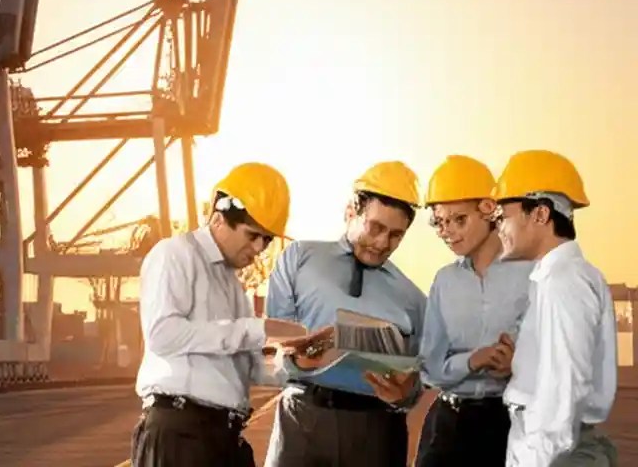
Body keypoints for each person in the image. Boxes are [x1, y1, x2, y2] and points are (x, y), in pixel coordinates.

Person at [131, 162, 321, 467]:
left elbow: (247, 369)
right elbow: (162, 336)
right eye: (252, 235)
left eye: (267, 239)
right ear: (219, 219)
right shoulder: (175, 255)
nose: (259, 247)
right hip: (180, 434)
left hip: (223, 438)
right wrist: (256, 329)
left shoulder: (234, 286)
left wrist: (300, 367)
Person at [263, 160, 428, 467]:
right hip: (303, 420)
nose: (382, 243)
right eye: (375, 227)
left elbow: (417, 383)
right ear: (351, 212)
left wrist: (403, 394)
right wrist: (295, 359)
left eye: (395, 235)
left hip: (376, 431)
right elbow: (273, 345)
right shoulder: (299, 259)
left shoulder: (414, 299)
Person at [494, 149, 618, 466]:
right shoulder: (560, 277)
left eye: (503, 216)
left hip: (556, 454)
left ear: (540, 214)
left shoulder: (563, 282)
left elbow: (565, 389)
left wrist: (535, 459)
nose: (499, 229)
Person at [415, 155, 534, 466]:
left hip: (510, 426)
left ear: (489, 211)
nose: (448, 231)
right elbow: (430, 366)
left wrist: (517, 365)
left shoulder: (532, 276)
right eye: (440, 222)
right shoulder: (444, 281)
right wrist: (473, 359)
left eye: (459, 219)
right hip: (447, 426)